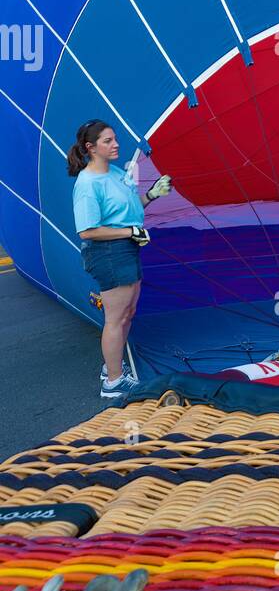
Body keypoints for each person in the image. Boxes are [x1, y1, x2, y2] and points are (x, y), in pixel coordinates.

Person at [67, 120, 172, 399]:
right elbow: (87, 230)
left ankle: (111, 366)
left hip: (126, 248)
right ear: (91, 148)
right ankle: (113, 382)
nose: (115, 145)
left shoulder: (114, 173)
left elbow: (128, 209)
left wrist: (152, 195)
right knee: (115, 318)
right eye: (108, 141)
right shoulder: (88, 184)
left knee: (128, 312)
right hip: (109, 254)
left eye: (115, 139)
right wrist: (130, 231)